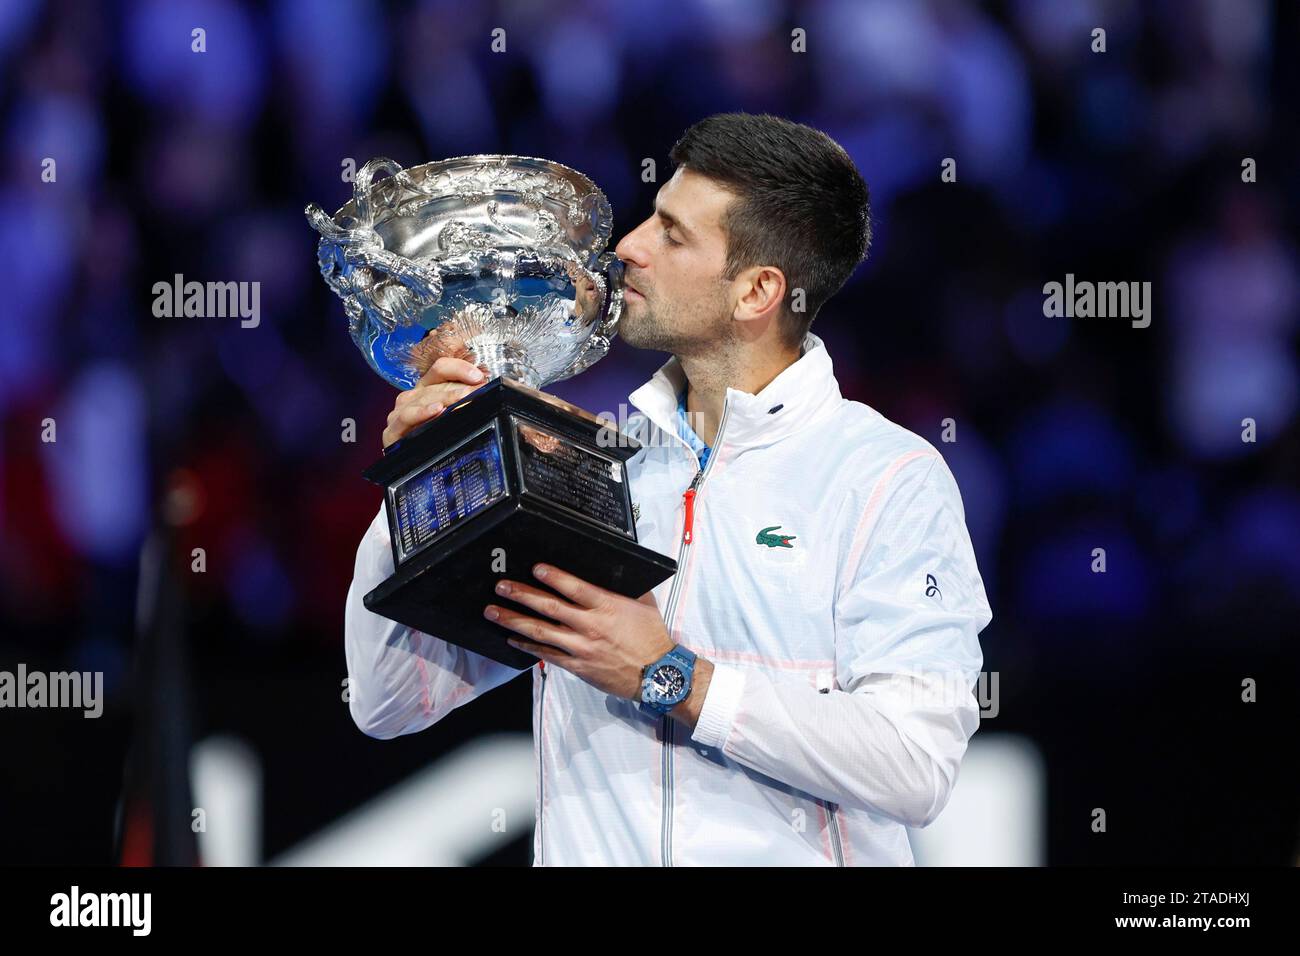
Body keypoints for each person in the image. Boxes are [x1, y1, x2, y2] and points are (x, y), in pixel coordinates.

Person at [345, 113, 992, 865]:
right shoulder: (590, 459)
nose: (628, 248)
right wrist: (428, 472)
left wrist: (675, 678)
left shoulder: (885, 478)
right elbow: (389, 701)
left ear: (757, 290)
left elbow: (915, 764)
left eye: (672, 234)